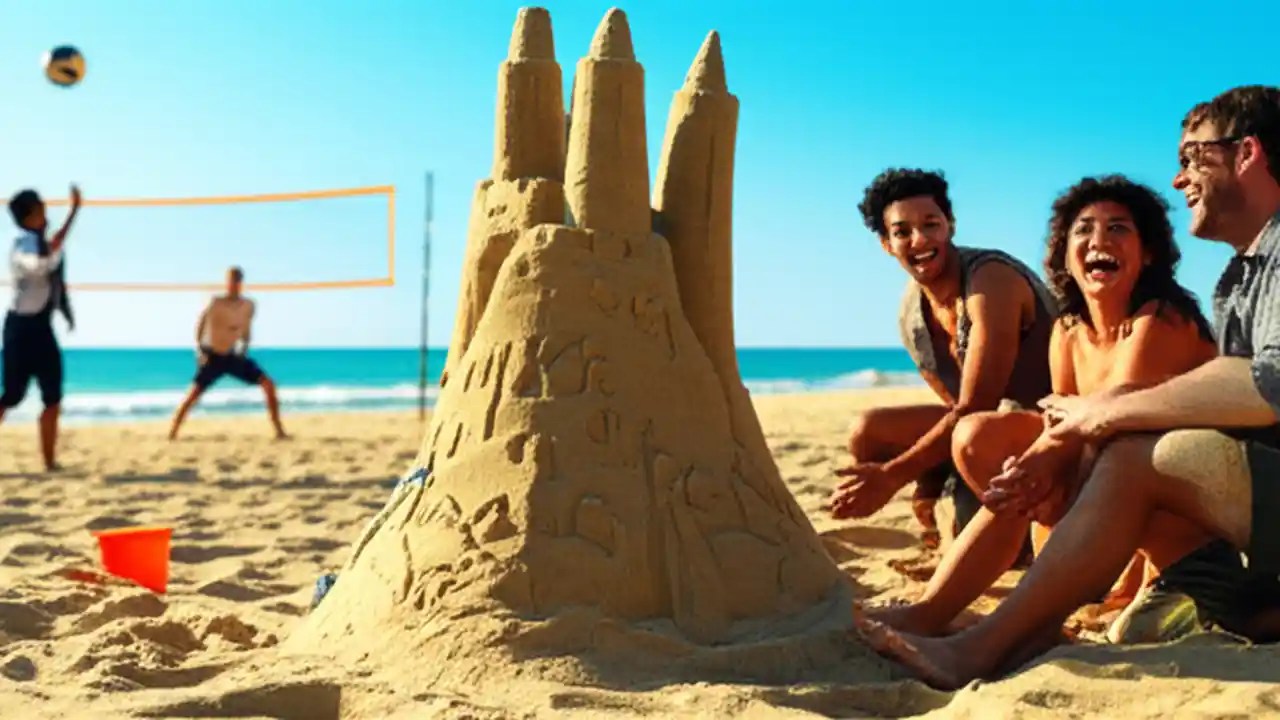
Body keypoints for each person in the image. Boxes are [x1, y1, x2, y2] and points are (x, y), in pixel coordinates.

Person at [857, 84, 1280, 690]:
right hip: (1235, 522)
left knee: (1125, 451)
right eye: (1084, 230)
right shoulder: (1242, 276)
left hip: (1219, 508)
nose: (1180, 177)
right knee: (1055, 458)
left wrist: (1102, 412)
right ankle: (946, 612)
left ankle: (984, 646)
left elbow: (1268, 384)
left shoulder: (1203, 295)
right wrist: (1067, 437)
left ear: (1247, 154)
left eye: (1193, 158)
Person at [861, 175, 1218, 641]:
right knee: (1016, 475)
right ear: (1065, 252)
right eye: (1083, 230)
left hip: (1190, 516)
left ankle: (1067, 599)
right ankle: (932, 611)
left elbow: (1115, 432)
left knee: (1090, 457)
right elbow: (1059, 433)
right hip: (1116, 490)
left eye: (1118, 229)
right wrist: (1024, 477)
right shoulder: (1069, 330)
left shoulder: (1159, 320)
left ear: (1147, 251)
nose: (1098, 241)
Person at [830, 169, 1059, 548]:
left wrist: (891, 477)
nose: (919, 240)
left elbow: (976, 405)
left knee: (972, 454)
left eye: (930, 224)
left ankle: (1028, 535)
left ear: (950, 225)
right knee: (868, 430)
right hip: (981, 429)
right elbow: (953, 406)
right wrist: (927, 485)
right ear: (886, 243)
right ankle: (948, 517)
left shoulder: (991, 280)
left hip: (1049, 427)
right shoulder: (912, 311)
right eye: (902, 232)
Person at [0, 186, 81, 471]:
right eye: (40, 208)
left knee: (53, 397)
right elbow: (37, 264)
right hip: (19, 329)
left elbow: (55, 265)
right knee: (12, 395)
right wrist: (71, 214)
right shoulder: (22, 243)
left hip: (41, 328)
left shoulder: (44, 241)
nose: (45, 212)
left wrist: (74, 212)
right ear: (29, 215)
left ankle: (49, 461)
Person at [168, 266, 287, 441]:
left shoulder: (249, 305)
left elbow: (246, 328)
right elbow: (201, 324)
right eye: (230, 280)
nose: (233, 283)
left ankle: (279, 430)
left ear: (241, 282)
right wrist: (199, 349)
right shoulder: (216, 302)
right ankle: (173, 431)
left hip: (233, 356)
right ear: (226, 282)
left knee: (268, 385)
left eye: (237, 280)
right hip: (212, 356)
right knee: (193, 394)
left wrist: (245, 346)